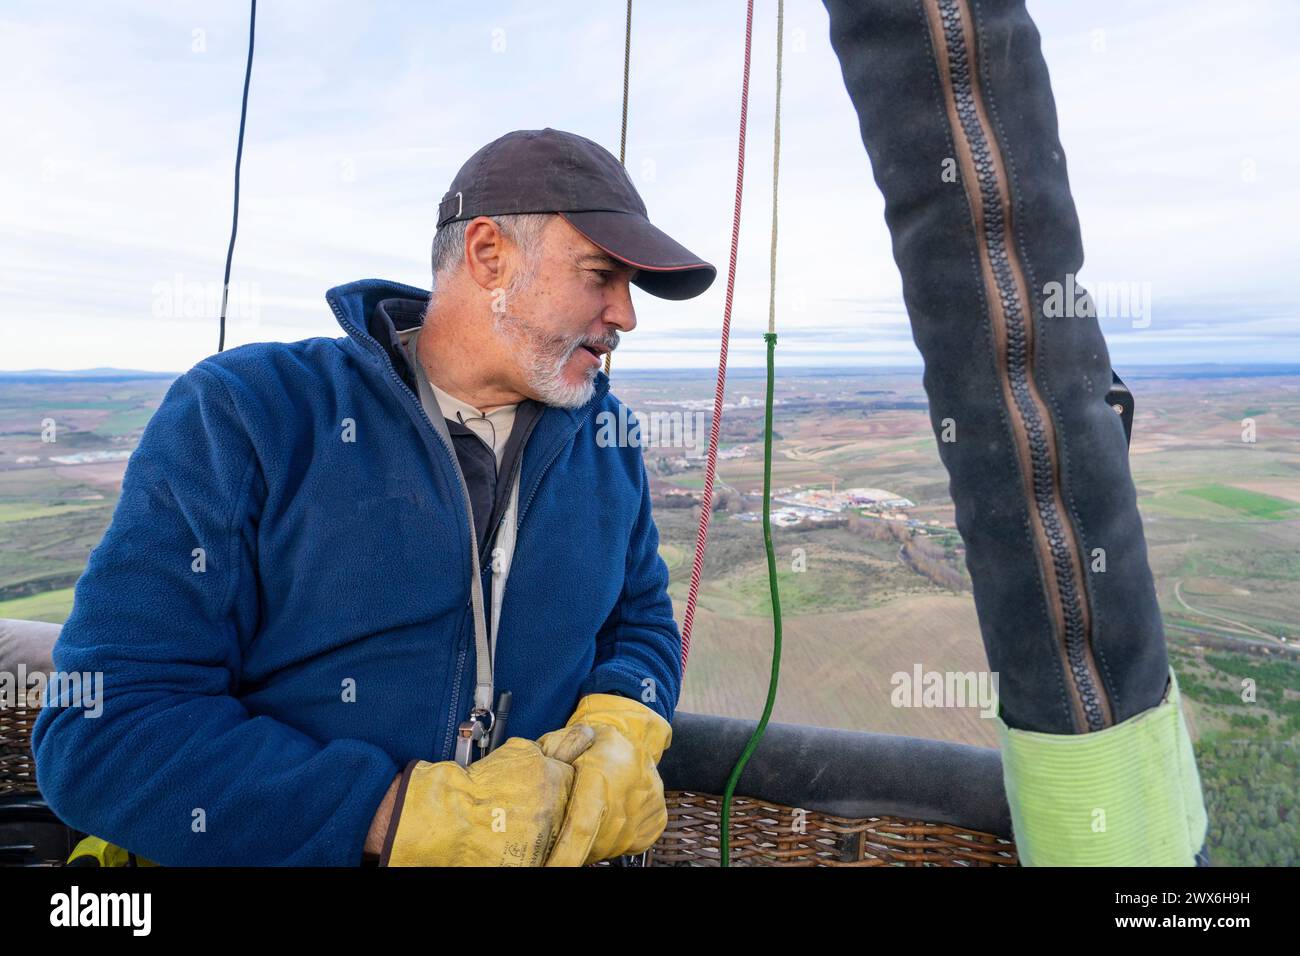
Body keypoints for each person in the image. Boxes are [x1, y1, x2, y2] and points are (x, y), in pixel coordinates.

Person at [33, 127, 716, 867]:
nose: (626, 314)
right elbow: (103, 731)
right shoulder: (249, 413)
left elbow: (637, 618)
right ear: (490, 255)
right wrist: (397, 817)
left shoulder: (604, 432)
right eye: (600, 275)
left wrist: (622, 722)